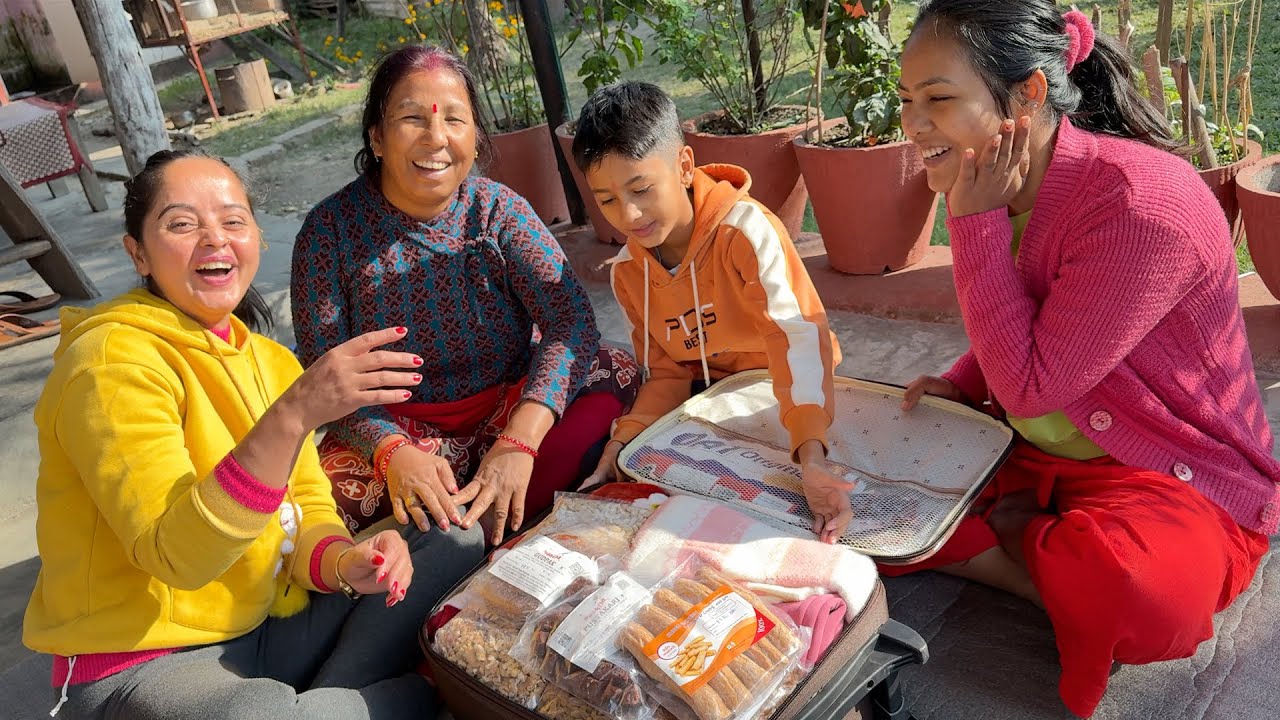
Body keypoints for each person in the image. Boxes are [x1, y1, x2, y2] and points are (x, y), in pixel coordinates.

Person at [888, 2, 1280, 716]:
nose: (914, 126)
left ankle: (1010, 542)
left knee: (1148, 600)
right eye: (908, 101)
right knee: (861, 494)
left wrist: (972, 226)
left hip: (1159, 468)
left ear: (1029, 92)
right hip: (1033, 452)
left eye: (939, 99)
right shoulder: (1001, 180)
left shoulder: (1137, 205)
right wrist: (958, 384)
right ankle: (1037, 554)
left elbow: (1033, 385)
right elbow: (1034, 323)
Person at [22, 149, 485, 720]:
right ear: (137, 252)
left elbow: (304, 513)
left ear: (256, 238)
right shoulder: (110, 362)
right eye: (182, 223)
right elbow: (178, 559)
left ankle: (332, 703)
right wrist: (293, 416)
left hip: (261, 629)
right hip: (145, 662)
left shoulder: (269, 361)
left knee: (453, 538)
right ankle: (394, 698)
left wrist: (349, 562)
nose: (214, 239)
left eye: (233, 220)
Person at [292, 46, 637, 546]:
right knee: (312, 512)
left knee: (617, 372)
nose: (437, 138)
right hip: (400, 432)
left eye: (456, 120)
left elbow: (571, 323)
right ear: (377, 137)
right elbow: (324, 373)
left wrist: (520, 438)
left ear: (475, 138)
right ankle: (494, 524)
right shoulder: (328, 233)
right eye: (413, 118)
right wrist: (393, 453)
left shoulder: (499, 210)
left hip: (508, 406)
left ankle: (471, 527)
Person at [572, 81, 851, 541]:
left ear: (683, 166)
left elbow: (796, 339)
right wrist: (624, 441)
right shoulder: (628, 273)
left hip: (793, 403)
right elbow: (665, 374)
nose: (629, 214)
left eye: (641, 189)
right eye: (606, 200)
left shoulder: (746, 231)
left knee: (812, 518)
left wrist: (811, 452)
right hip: (711, 413)